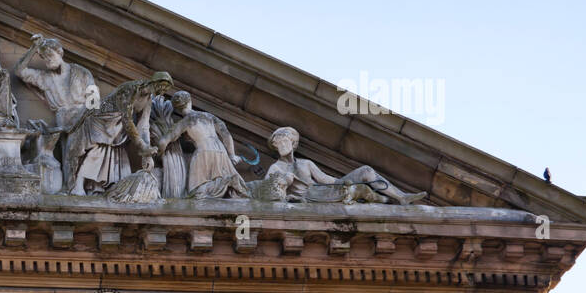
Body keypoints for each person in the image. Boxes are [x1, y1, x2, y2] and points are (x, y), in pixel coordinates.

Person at [14, 35, 100, 194]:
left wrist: (84, 118)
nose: (48, 60)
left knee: (81, 153)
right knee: (68, 155)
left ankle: (80, 187)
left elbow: (94, 101)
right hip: (63, 121)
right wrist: (33, 48)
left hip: (84, 118)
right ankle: (72, 187)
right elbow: (19, 71)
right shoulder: (44, 78)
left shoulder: (82, 72)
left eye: (50, 56)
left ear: (60, 53)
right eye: (44, 58)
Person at [264, 126, 427, 204]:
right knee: (363, 191)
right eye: (280, 143)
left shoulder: (306, 163)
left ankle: (401, 197)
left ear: (293, 145)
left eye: (288, 142)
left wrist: (344, 182)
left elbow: (324, 178)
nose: (285, 146)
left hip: (325, 192)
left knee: (366, 171)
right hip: (312, 197)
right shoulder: (275, 168)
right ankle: (381, 200)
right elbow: (267, 192)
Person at [149, 91, 249, 198]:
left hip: (203, 152)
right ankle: (228, 181)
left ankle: (226, 182)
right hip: (221, 150)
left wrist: (159, 154)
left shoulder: (185, 122)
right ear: (190, 101)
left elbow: (163, 142)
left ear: (176, 108)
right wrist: (232, 155)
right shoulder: (209, 116)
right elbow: (226, 135)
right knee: (219, 180)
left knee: (196, 192)